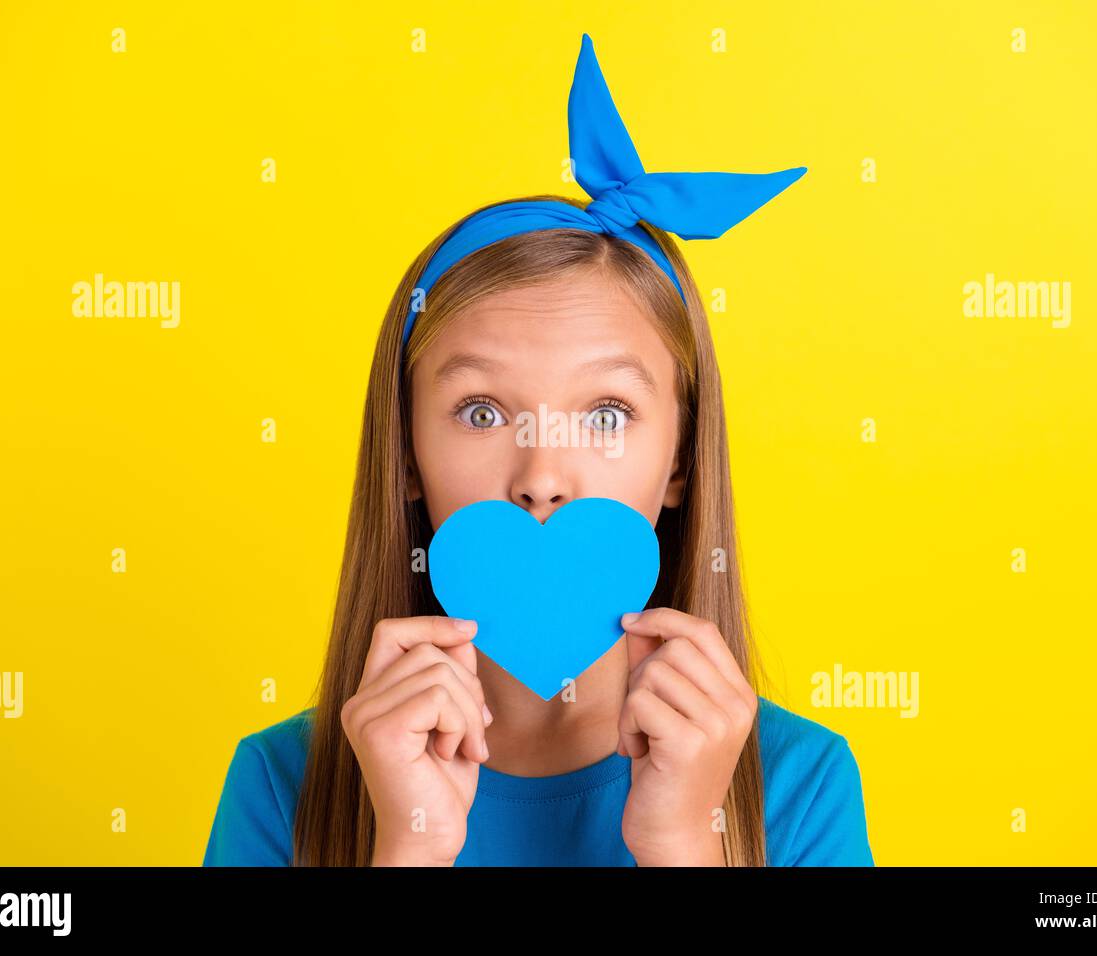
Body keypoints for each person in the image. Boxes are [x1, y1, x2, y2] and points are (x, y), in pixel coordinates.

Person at [204, 33, 873, 867]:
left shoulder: (797, 786)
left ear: (679, 461)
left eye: (606, 413)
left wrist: (681, 844)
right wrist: (409, 847)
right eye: (482, 412)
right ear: (406, 454)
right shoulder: (283, 785)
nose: (543, 475)